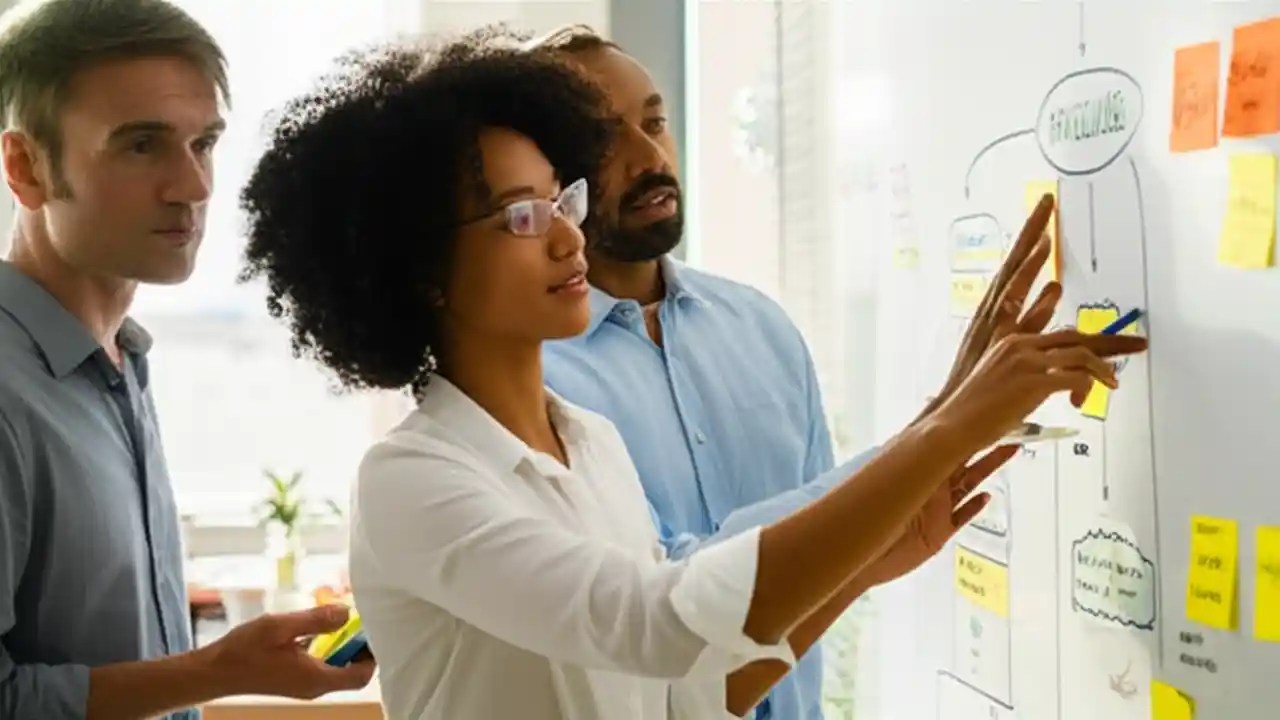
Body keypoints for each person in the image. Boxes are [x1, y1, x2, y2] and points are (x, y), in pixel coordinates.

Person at [236, 29, 1145, 720]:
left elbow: (685, 693)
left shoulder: (588, 445)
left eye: (562, 199)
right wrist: (944, 427)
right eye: (521, 217)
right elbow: (658, 619)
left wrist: (865, 568)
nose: (564, 233)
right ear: (421, 271)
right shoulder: (412, 481)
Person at [528, 25, 1064, 719]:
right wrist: (940, 427)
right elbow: (675, 599)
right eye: (603, 138)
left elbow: (822, 561)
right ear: (546, 184)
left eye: (656, 121)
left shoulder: (764, 329)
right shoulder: (534, 382)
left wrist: (876, 539)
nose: (648, 154)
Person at [0, 1, 374, 718]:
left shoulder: (118, 365)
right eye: (142, 146)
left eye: (202, 144)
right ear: (26, 167)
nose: (195, 188)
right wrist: (211, 672)